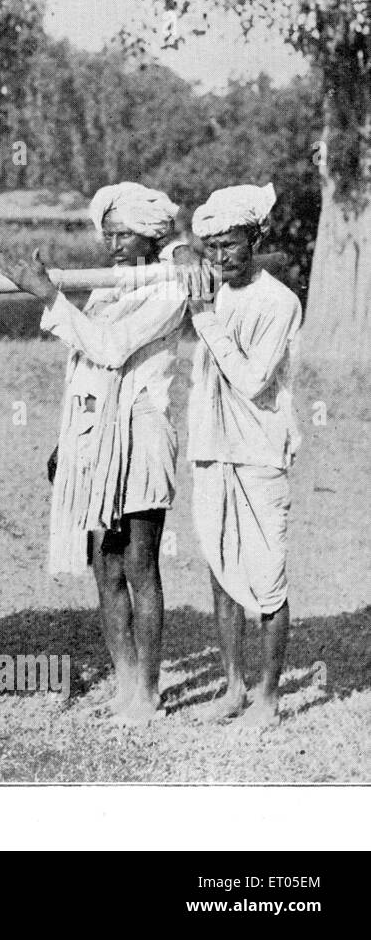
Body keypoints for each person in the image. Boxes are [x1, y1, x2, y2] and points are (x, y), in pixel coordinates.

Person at [1, 182, 192, 725]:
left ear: (150, 234)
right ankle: (125, 684)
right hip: (94, 439)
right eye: (107, 234)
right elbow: (83, 366)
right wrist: (68, 440)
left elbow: (108, 348)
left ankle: (149, 693)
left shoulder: (168, 287)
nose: (112, 244)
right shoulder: (107, 288)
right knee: (104, 568)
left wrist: (49, 298)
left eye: (123, 233)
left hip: (141, 437)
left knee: (139, 564)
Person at [185, 183, 301, 729]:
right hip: (212, 449)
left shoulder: (280, 302)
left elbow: (254, 381)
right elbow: (169, 256)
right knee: (221, 568)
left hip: (259, 452)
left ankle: (268, 698)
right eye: (212, 248)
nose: (221, 257)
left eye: (231, 245)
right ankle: (233, 689)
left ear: (255, 239)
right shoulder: (210, 287)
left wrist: (205, 318)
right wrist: (189, 266)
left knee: (268, 577)